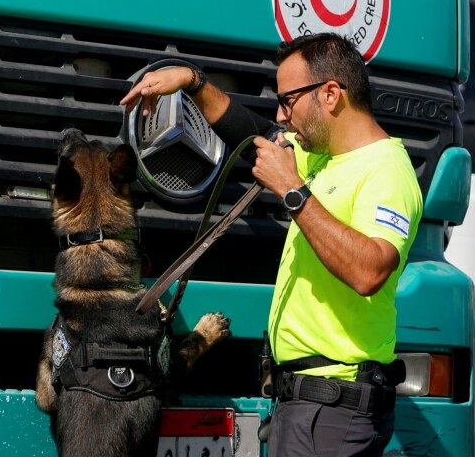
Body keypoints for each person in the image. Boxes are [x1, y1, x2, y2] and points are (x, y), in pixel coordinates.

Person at [121, 33, 423, 457]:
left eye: (289, 100)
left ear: (331, 94)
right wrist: (191, 81)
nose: (281, 115)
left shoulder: (386, 170)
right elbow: (253, 132)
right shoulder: (325, 158)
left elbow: (369, 271)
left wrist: (293, 191)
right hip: (307, 403)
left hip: (333, 407)